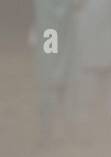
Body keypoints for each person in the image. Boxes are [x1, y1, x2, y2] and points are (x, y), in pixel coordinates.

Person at [69, 0, 111, 145]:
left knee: (95, 98)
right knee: (96, 97)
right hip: (97, 53)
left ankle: (100, 132)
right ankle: (91, 132)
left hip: (100, 53)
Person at [31, 0, 75, 148]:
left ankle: (50, 130)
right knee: (56, 80)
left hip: (51, 37)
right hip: (54, 37)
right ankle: (53, 130)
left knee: (51, 82)